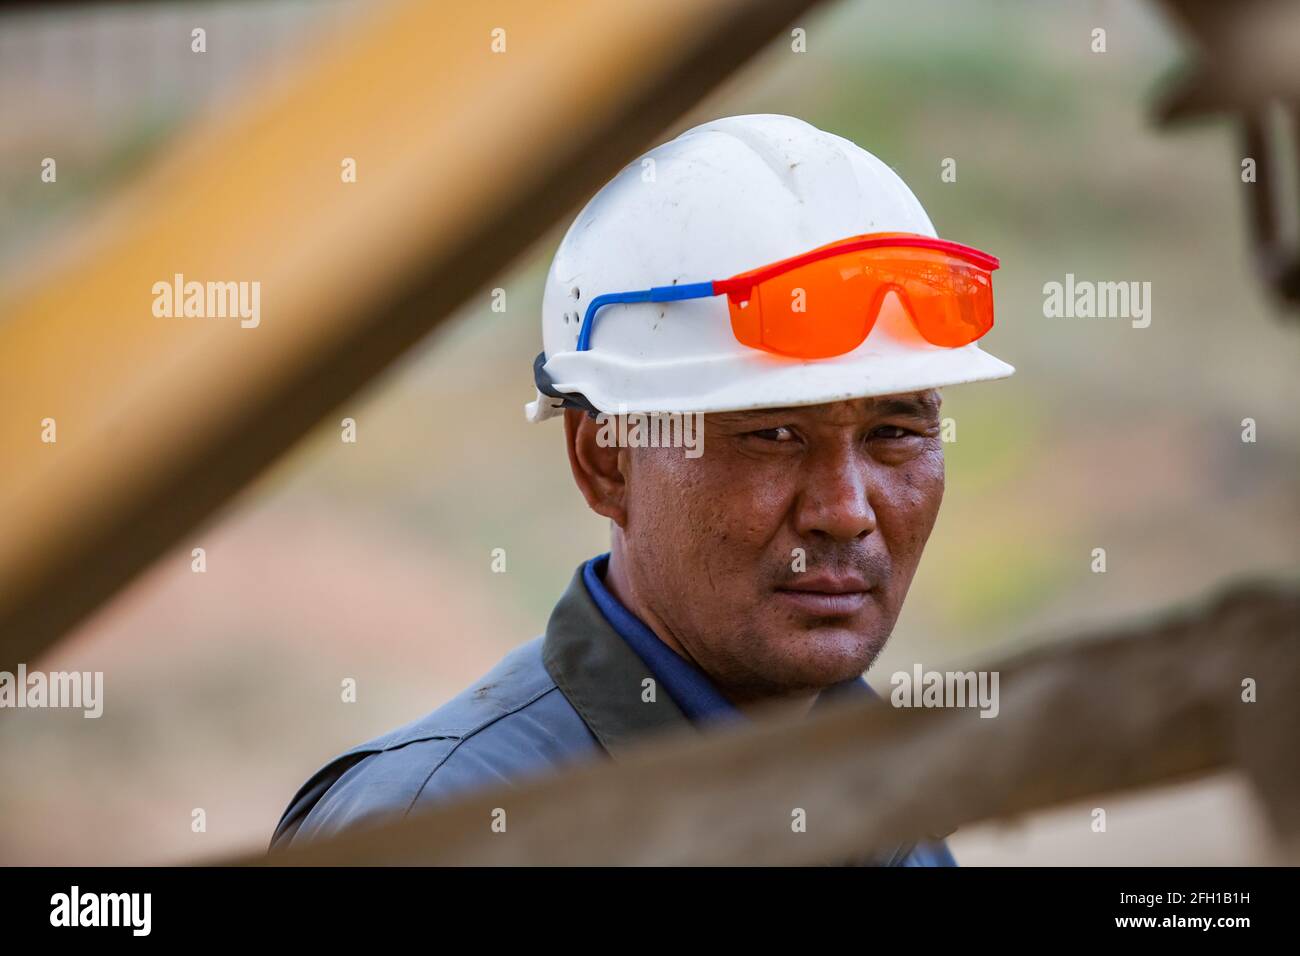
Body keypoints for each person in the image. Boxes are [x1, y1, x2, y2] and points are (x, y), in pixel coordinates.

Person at [271, 114, 1014, 865]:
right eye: (772, 435)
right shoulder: (429, 832)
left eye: (894, 432)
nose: (845, 511)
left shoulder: (891, 816)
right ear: (606, 464)